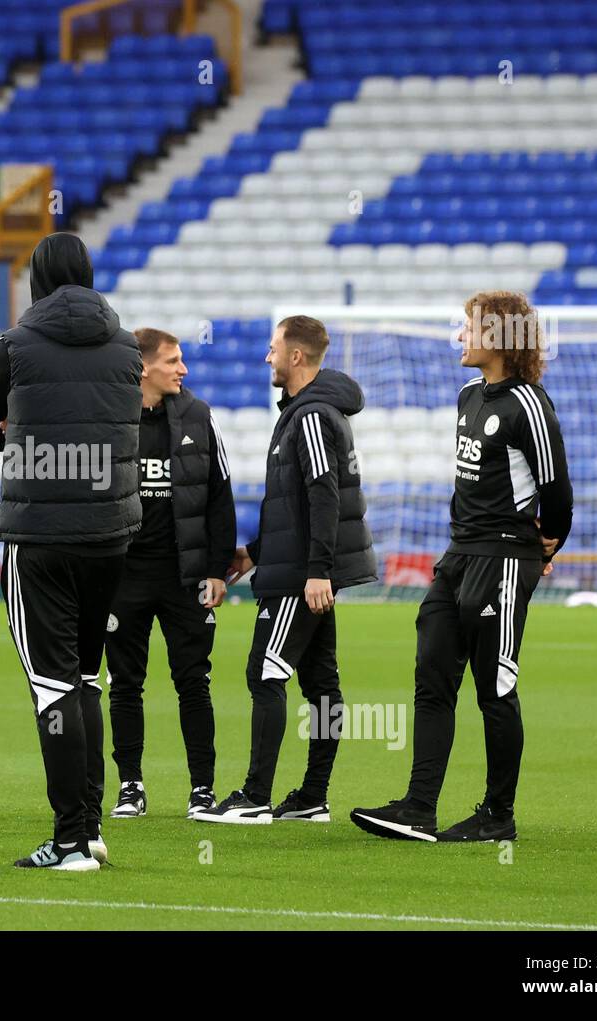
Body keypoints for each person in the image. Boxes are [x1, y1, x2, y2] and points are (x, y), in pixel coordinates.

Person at [352, 291, 571, 842]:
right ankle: (418, 808)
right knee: (431, 676)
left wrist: (542, 549)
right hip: (457, 556)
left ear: (498, 337)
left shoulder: (530, 405)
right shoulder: (468, 397)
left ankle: (499, 816)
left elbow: (557, 495)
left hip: (502, 559)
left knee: (494, 687)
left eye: (469, 328)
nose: (459, 337)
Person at [0, 232, 141, 871]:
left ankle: (70, 839)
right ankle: (91, 827)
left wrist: (24, 432)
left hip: (39, 537)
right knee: (86, 681)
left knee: (51, 687)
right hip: (110, 538)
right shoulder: (126, 346)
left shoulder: (13, 346)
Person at [195, 315, 376, 825]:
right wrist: (255, 552)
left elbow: (323, 494)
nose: (267, 357)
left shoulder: (312, 415)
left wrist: (317, 571)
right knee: (320, 684)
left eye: (274, 349)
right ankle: (313, 796)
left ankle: (255, 797)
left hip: (302, 576)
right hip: (297, 566)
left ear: (296, 356)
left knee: (266, 673)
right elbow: (296, 504)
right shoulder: (305, 411)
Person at [104, 327, 235, 822]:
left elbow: (220, 494)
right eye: (173, 361)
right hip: (123, 577)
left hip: (186, 577)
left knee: (193, 682)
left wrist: (218, 570)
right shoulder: (111, 419)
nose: (183, 369)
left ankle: (202, 789)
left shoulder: (199, 417)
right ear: (143, 367)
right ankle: (130, 786)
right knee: (124, 684)